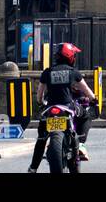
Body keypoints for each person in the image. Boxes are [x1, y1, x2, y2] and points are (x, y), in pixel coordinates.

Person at [27, 42, 96, 172]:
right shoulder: (73, 72)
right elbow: (87, 91)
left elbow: (39, 95)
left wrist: (41, 103)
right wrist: (94, 100)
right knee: (86, 115)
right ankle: (80, 142)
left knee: (41, 138)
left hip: (50, 109)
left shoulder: (47, 72)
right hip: (68, 108)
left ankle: (33, 168)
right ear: (70, 57)